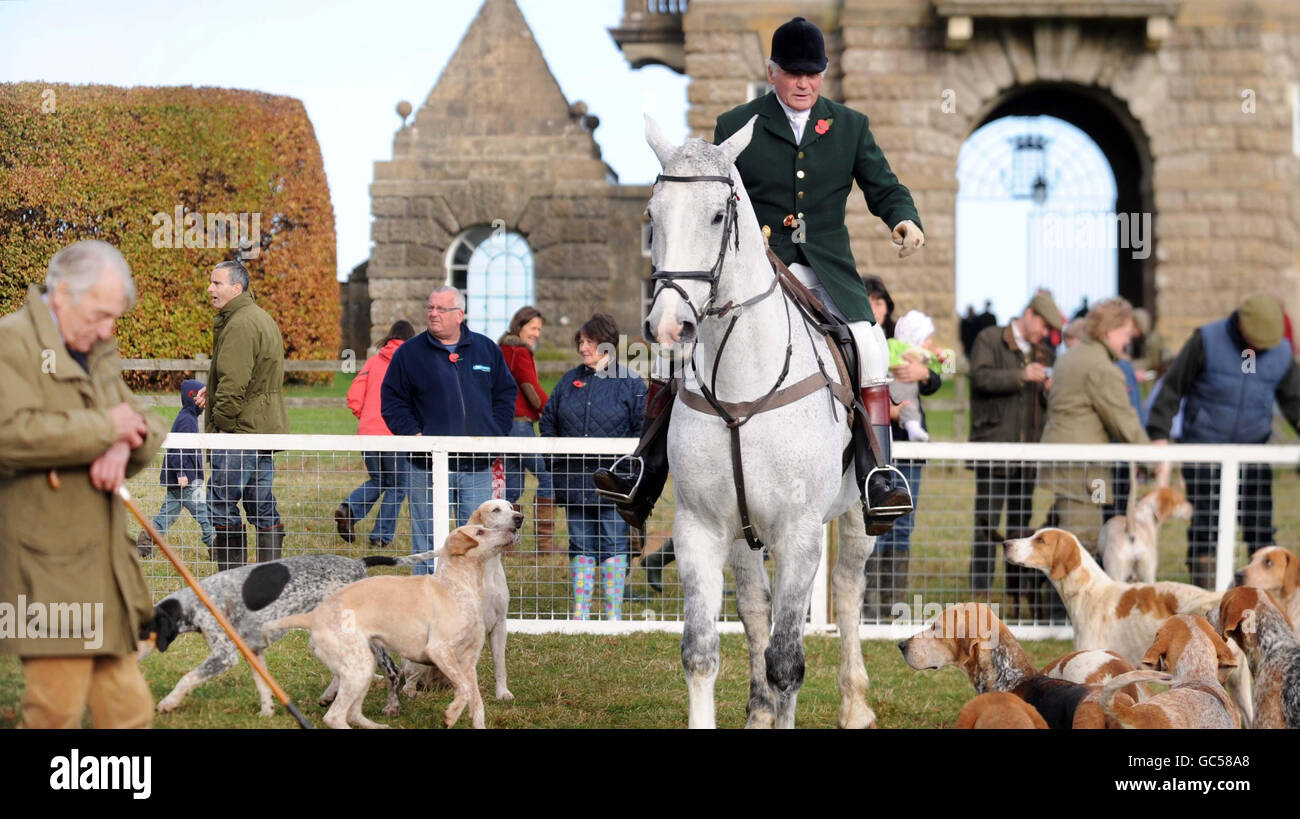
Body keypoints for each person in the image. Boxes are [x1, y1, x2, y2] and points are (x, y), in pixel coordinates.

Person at [596, 15, 925, 537]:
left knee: (871, 347)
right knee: (678, 348)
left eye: (813, 73)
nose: (803, 83)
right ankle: (645, 466)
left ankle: (877, 475)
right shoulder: (736, 123)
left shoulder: (850, 126)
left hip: (825, 274)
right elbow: (711, 195)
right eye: (793, 73)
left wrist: (903, 218)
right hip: (754, 273)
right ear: (771, 72)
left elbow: (883, 185)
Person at [0, 239, 167, 728]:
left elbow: (142, 419)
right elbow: (9, 433)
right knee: (56, 710)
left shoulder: (91, 347)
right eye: (100, 314)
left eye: (114, 316)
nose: (108, 329)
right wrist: (103, 430)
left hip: (104, 566)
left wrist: (120, 442)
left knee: (129, 710)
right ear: (62, 294)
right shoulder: (12, 343)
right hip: (46, 567)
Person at [1146, 293, 1300, 588]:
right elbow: (1172, 389)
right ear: (1243, 326)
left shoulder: (1280, 354)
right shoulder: (1206, 340)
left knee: (1259, 527)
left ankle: (1262, 601)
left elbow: (1295, 402)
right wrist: (1159, 434)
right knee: (1206, 527)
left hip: (1253, 453)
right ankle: (1207, 597)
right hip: (1205, 451)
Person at [381, 286, 516, 574]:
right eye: (430, 308)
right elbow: (392, 401)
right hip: (426, 467)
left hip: (477, 466)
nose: (432, 314)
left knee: (482, 540)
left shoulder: (486, 349)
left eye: (441, 309)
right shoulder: (409, 354)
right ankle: (431, 612)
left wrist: (495, 431)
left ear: (459, 314)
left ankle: (478, 606)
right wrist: (414, 436)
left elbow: (505, 394)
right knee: (429, 540)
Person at [540, 314, 647, 620]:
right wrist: (557, 464)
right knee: (580, 543)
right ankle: (581, 612)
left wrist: (627, 477)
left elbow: (641, 431)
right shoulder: (567, 383)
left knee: (614, 543)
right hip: (573, 481)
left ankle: (614, 614)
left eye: (589, 342)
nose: (583, 348)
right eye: (581, 342)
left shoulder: (630, 383)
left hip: (614, 485)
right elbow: (548, 422)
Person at [968, 292, 1061, 615]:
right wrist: (1020, 376)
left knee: (1021, 530)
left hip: (1028, 455)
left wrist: (1050, 392)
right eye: (1044, 325)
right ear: (1030, 314)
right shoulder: (989, 338)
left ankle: (1016, 596)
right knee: (986, 525)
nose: (1045, 334)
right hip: (994, 448)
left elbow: (1048, 408)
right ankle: (978, 592)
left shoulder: (1045, 353)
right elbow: (979, 378)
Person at [196, 260, 289, 570]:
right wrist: (213, 391)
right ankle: (268, 580)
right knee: (260, 505)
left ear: (236, 288)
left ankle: (231, 585)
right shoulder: (259, 318)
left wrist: (223, 425)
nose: (210, 289)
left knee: (221, 505)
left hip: (239, 432)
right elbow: (252, 378)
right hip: (260, 428)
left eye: (217, 283)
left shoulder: (240, 323)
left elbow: (234, 381)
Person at [859, 277, 942, 619]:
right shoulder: (859, 342)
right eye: (870, 302)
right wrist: (886, 412)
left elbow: (938, 377)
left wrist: (925, 372)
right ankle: (866, 602)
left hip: (907, 446)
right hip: (873, 443)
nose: (876, 309)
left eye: (881, 303)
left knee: (903, 522)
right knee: (873, 520)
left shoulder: (901, 341)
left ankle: (892, 603)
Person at [1040, 297, 1148, 554]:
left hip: (1067, 468)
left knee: (1069, 539)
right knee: (1082, 546)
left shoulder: (1071, 356)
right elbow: (1124, 421)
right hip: (1083, 474)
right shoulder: (1101, 368)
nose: (1128, 340)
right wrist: (1155, 459)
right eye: (1124, 333)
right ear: (1109, 331)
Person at [335, 320, 415, 549]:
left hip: (368, 432)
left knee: (380, 479)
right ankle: (380, 537)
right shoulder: (411, 363)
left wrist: (368, 418)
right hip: (395, 433)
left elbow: (354, 396)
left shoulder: (372, 362)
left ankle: (349, 509)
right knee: (398, 486)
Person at [498, 306, 556, 552]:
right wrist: (552, 411)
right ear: (519, 326)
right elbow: (531, 388)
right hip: (520, 426)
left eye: (539, 329)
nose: (536, 334)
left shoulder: (501, 351)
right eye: (533, 328)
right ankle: (545, 544)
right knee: (548, 478)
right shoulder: (519, 352)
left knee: (512, 486)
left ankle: (506, 544)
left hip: (504, 425)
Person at [138, 378, 215, 557]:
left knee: (166, 515)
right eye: (203, 399)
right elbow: (177, 449)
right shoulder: (187, 421)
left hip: (180, 482)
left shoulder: (187, 418)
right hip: (186, 482)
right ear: (192, 398)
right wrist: (181, 472)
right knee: (205, 513)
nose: (205, 404)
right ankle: (216, 545)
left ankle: (146, 539)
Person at [889, 309, 949, 443]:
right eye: (927, 339)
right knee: (908, 406)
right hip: (891, 402)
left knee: (910, 406)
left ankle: (914, 430)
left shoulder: (919, 354)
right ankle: (914, 429)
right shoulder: (908, 350)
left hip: (904, 398)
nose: (930, 342)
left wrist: (925, 373)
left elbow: (935, 379)